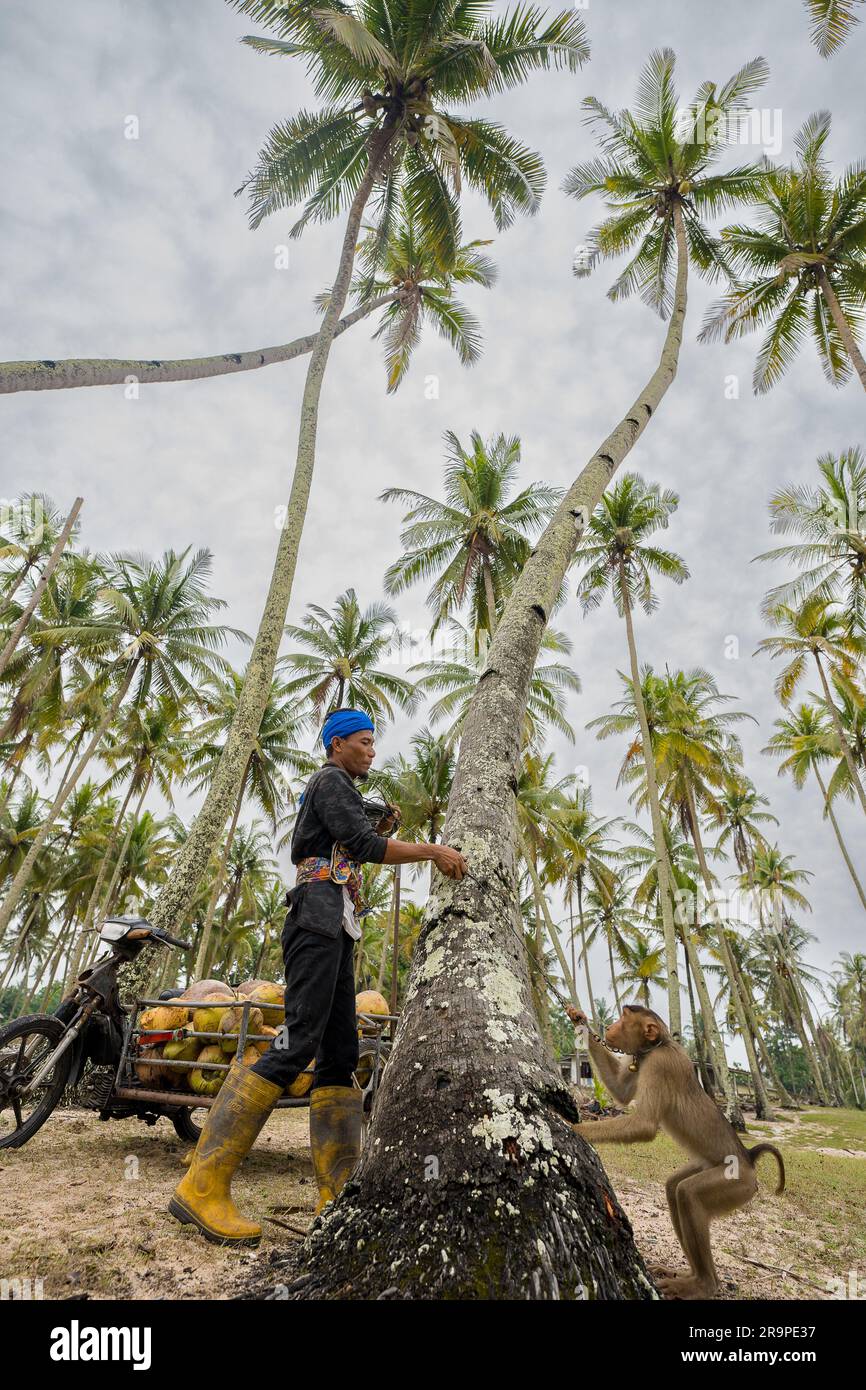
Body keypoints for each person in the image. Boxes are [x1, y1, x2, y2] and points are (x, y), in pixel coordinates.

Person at [169, 707, 467, 1246]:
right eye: (363, 741)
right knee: (299, 1038)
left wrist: (377, 818)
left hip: (337, 922)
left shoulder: (342, 788)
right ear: (336, 745)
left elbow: (357, 832)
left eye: (374, 742)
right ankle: (202, 1184)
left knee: (340, 1053)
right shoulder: (330, 781)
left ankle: (337, 1193)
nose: (372, 750)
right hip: (315, 916)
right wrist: (433, 850)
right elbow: (365, 846)